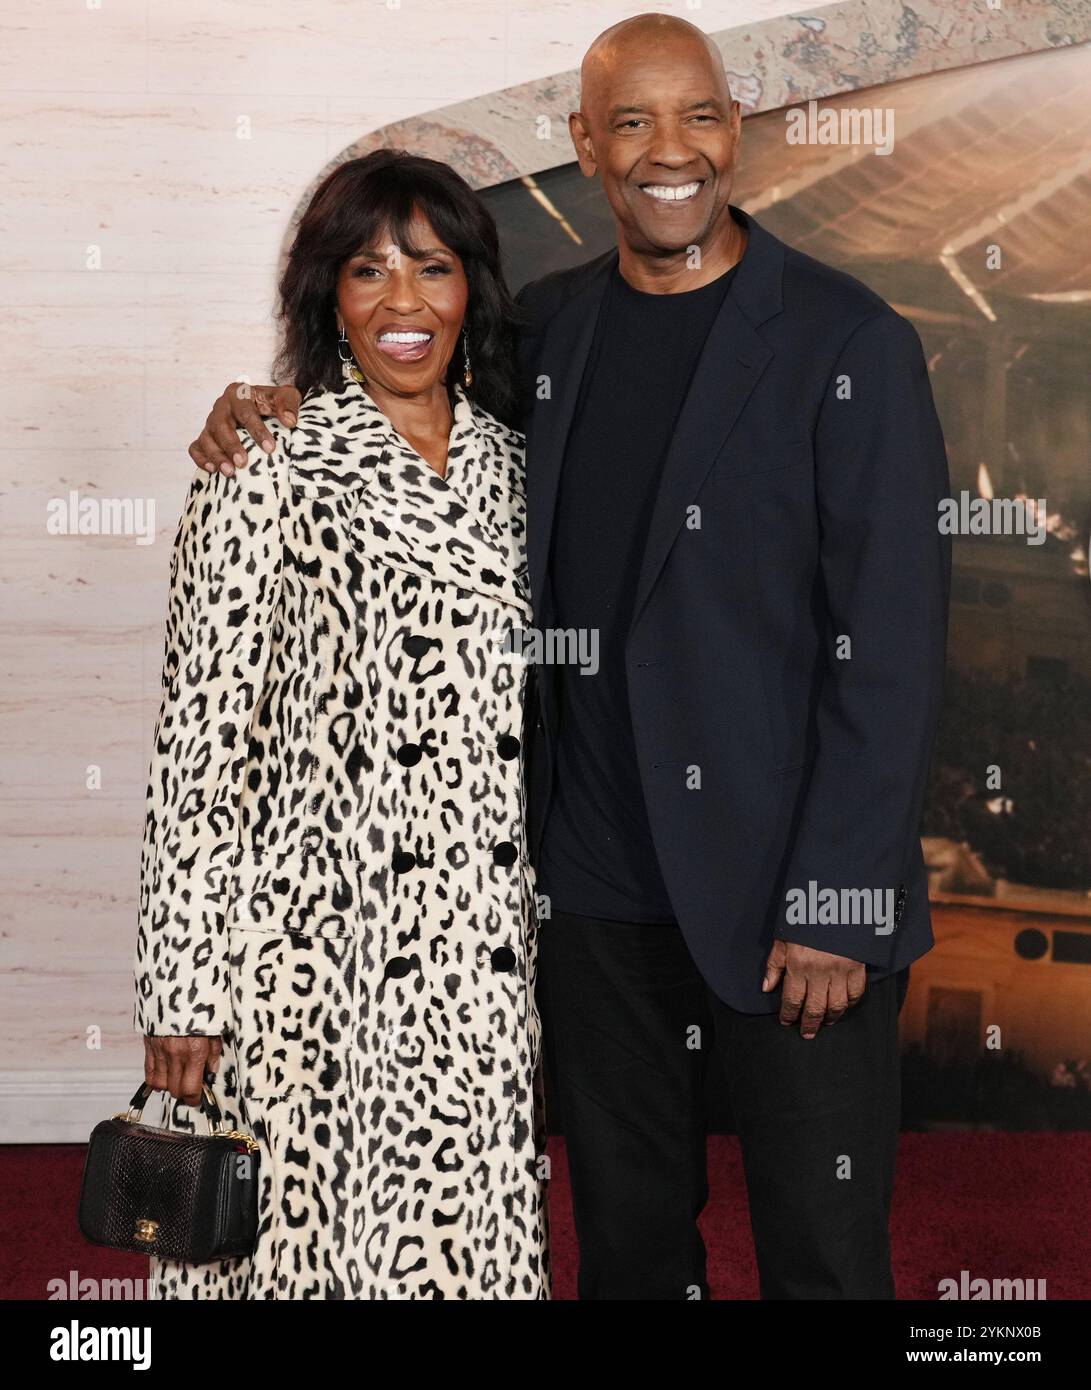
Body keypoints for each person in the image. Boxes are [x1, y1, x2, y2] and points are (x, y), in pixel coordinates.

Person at [186, 13, 951, 1300]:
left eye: (698, 117)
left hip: (788, 908)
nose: (671, 152)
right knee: (627, 1252)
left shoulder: (846, 342)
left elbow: (890, 644)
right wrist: (268, 404)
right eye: (633, 122)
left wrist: (835, 896)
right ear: (585, 143)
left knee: (821, 1259)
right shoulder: (544, 331)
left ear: (736, 133)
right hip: (589, 903)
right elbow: (399, 386)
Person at [135, 150, 549, 1299]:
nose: (403, 301)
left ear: (473, 289)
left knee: (461, 1255)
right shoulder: (263, 458)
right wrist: (182, 991)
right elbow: (196, 750)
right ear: (327, 294)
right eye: (367, 270)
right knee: (302, 1259)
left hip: (477, 962)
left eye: (432, 265)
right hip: (304, 964)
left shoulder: (522, 468)